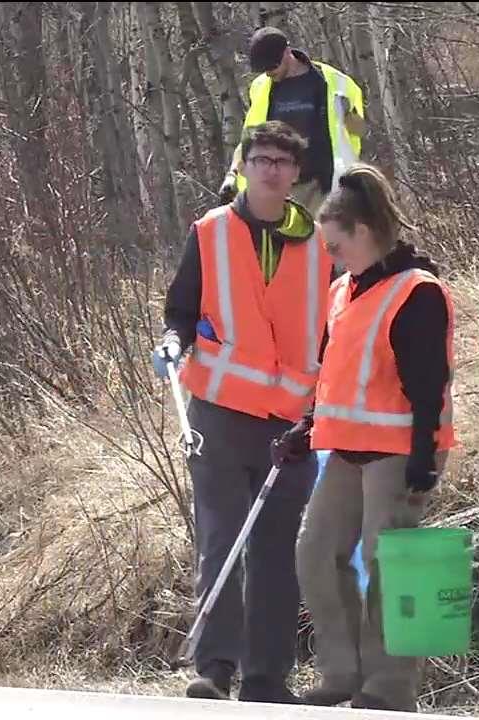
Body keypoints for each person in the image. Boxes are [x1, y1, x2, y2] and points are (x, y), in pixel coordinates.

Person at [154, 121, 336, 704]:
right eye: (260, 159)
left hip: (291, 423)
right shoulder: (210, 232)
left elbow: (335, 330)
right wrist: (171, 345)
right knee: (222, 540)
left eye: (282, 161)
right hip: (219, 411)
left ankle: (267, 679)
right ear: (243, 165)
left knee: (277, 551)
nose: (270, 170)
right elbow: (180, 310)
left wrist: (320, 410)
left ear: (296, 174)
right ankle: (213, 670)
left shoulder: (319, 246)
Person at [270, 164, 457, 712]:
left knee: (392, 563)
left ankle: (391, 688)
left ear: (367, 231)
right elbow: (333, 375)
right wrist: (307, 429)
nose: (331, 257)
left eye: (335, 245)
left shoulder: (417, 292)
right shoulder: (341, 292)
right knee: (315, 553)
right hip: (348, 449)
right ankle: (342, 676)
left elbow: (429, 385)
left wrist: (424, 456)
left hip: (402, 450)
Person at [218, 26, 367, 215]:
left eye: (273, 66)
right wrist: (232, 175)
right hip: (277, 188)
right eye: (264, 69)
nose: (269, 73)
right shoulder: (261, 88)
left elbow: (360, 131)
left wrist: (346, 114)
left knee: (321, 243)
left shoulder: (332, 82)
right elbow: (249, 139)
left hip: (322, 188)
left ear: (288, 52)